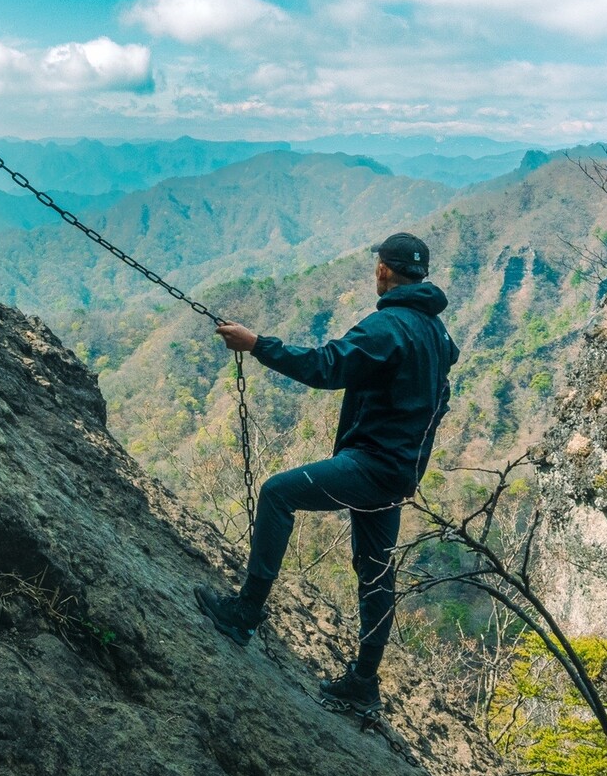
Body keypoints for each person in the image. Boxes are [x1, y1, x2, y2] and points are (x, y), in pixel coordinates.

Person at [196, 232, 459, 716]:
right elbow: (437, 404)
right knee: (376, 571)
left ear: (384, 269)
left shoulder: (389, 327)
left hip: (371, 464)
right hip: (399, 473)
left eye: (377, 264)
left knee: (278, 494)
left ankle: (243, 614)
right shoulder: (438, 336)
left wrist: (257, 345)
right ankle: (363, 682)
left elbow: (325, 366)